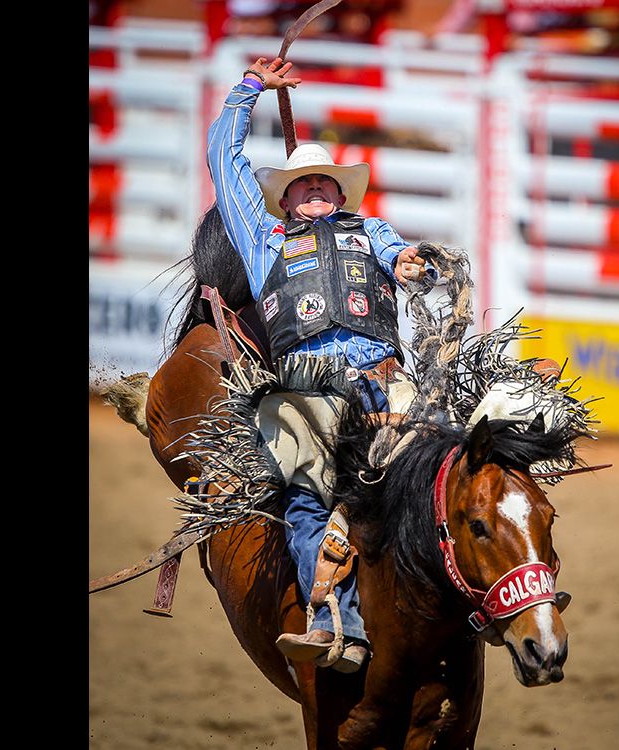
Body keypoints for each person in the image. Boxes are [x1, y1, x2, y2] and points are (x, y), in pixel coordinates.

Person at [206, 56, 426, 673]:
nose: (316, 189)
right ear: (284, 199)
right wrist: (249, 90)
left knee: (435, 476)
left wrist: (414, 263)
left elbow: (405, 257)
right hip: (304, 393)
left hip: (384, 382)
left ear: (340, 193)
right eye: (304, 184)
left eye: (326, 182)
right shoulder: (263, 241)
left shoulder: (373, 231)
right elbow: (224, 160)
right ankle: (337, 625)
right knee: (307, 498)